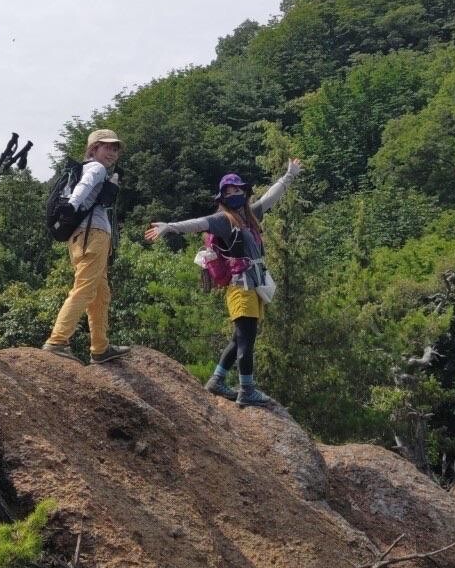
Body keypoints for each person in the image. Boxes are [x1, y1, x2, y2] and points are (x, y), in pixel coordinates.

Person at [144, 159, 303, 408]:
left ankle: (217, 380)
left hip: (255, 284)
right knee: (246, 338)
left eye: (237, 190)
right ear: (223, 198)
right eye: (228, 193)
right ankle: (247, 389)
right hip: (241, 287)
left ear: (244, 193)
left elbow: (271, 197)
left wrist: (289, 176)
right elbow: (198, 223)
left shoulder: (250, 216)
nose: (234, 195)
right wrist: (170, 227)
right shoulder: (223, 220)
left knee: (238, 338)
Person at [41, 129, 130, 365]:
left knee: (100, 294)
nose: (112, 152)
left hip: (82, 237)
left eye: (115, 148)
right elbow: (85, 185)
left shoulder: (88, 168)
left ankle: (100, 347)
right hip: (94, 236)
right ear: (93, 149)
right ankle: (57, 340)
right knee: (85, 289)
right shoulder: (96, 168)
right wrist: (72, 204)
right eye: (107, 147)